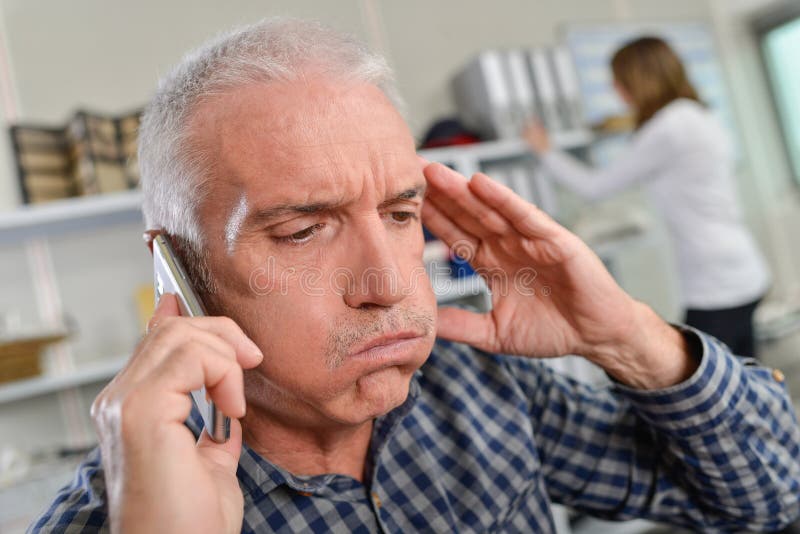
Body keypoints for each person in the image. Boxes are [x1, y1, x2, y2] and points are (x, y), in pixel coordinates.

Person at [31, 19, 799, 533]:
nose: (391, 285)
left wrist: (631, 340)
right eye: (302, 230)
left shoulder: (478, 386)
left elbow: (769, 500)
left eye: (401, 214)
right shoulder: (119, 517)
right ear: (176, 269)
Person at [525, 36, 771, 359]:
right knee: (744, 375)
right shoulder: (698, 115)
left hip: (716, 282)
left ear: (637, 79)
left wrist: (545, 151)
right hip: (744, 268)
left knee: (695, 377)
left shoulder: (666, 127)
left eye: (618, 79)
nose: (614, 87)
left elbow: (595, 187)